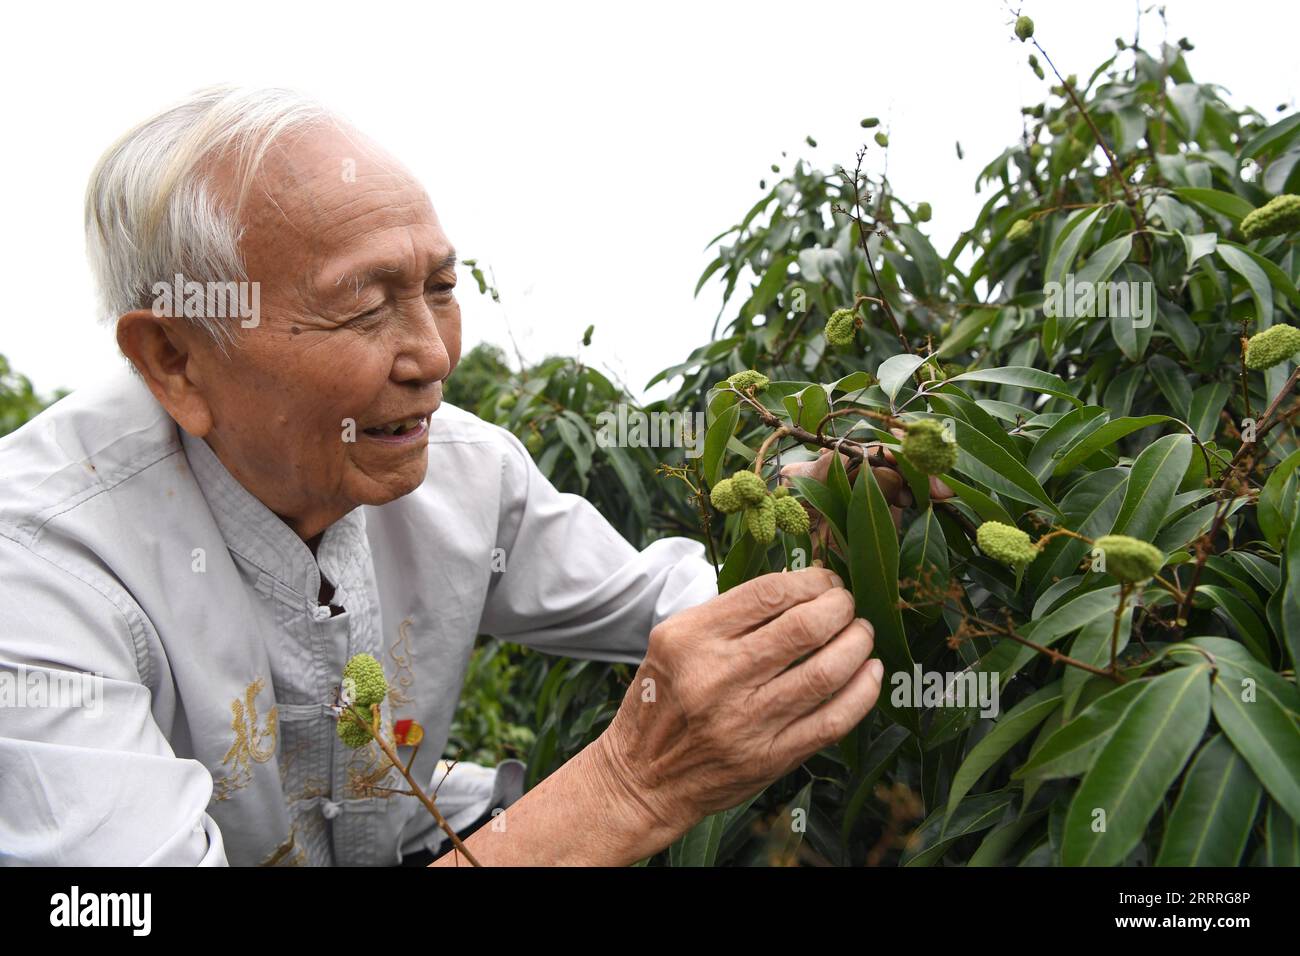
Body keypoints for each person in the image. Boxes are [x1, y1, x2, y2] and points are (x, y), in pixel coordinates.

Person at [0, 86, 891, 866]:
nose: (433, 357)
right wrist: (628, 787)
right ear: (175, 358)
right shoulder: (39, 569)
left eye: (440, 288)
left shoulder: (463, 471)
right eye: (361, 305)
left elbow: (662, 603)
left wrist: (822, 521)